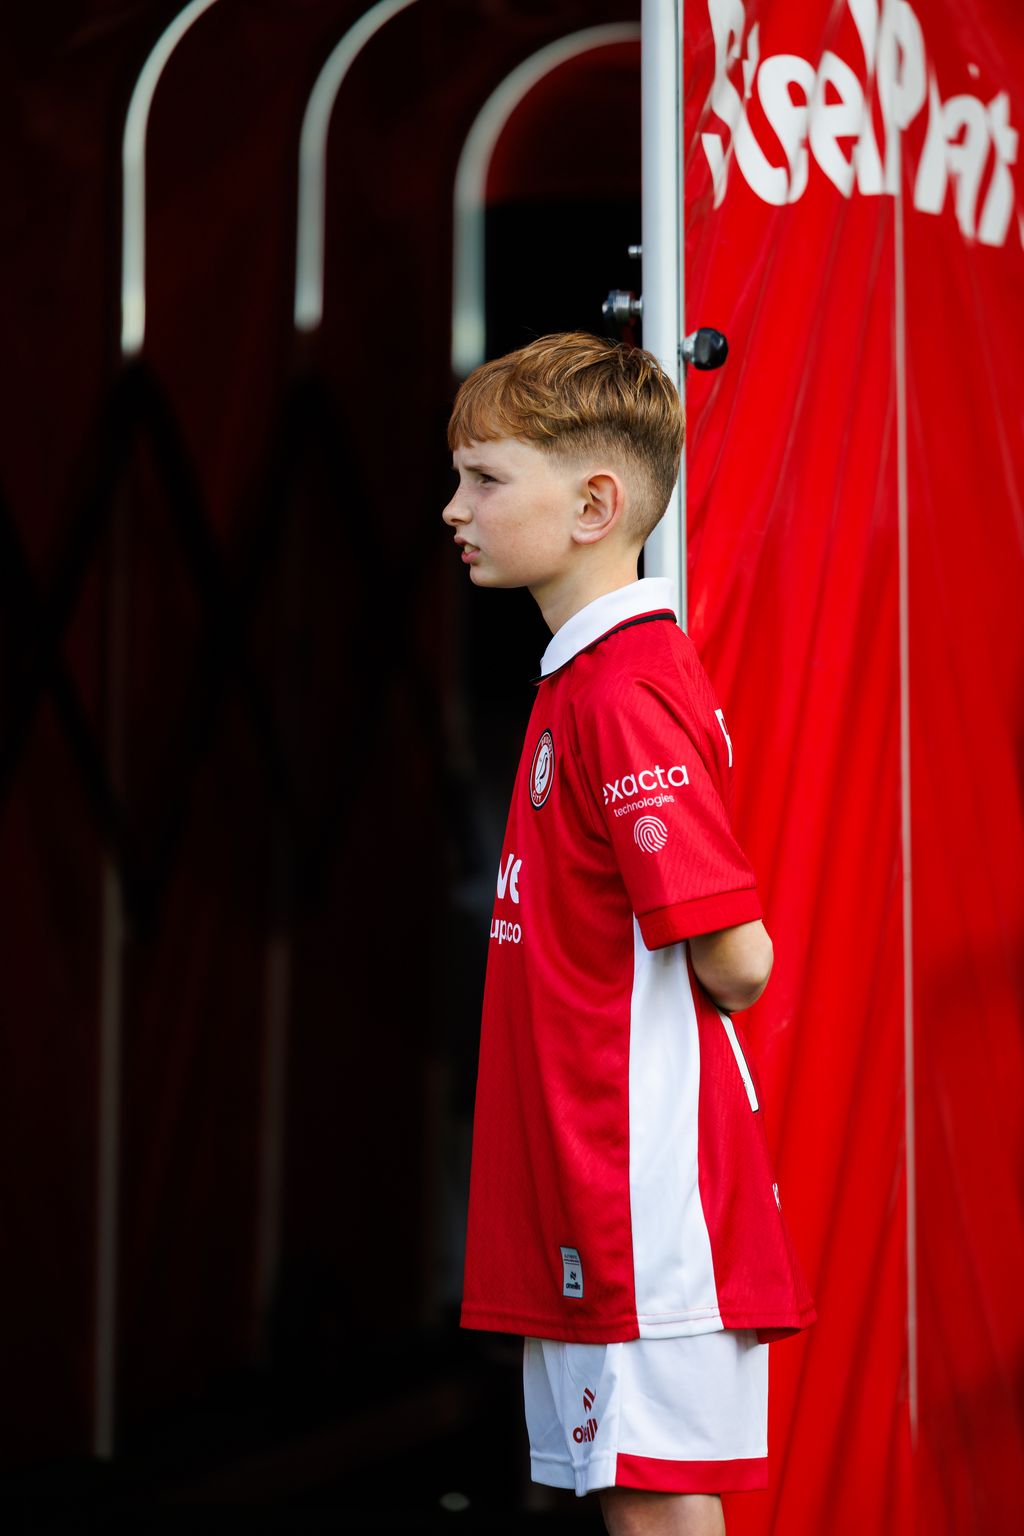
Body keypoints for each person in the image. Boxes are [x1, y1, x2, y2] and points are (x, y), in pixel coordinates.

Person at [442, 332, 815, 1536]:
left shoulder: (619, 693)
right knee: (631, 1504)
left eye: (484, 479)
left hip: (639, 1196)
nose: (455, 509)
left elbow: (737, 956)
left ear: (595, 505)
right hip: (592, 1185)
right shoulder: (581, 679)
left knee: (655, 1509)